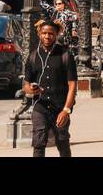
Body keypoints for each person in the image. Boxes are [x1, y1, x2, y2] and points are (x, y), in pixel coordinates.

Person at [23, 18, 77, 159]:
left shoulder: (65, 55)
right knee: (38, 144)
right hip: (40, 107)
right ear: (39, 34)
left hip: (60, 107)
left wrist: (66, 110)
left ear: (56, 34)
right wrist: (30, 90)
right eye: (44, 33)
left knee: (62, 143)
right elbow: (26, 85)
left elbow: (72, 85)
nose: (47, 36)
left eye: (51, 33)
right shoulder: (33, 56)